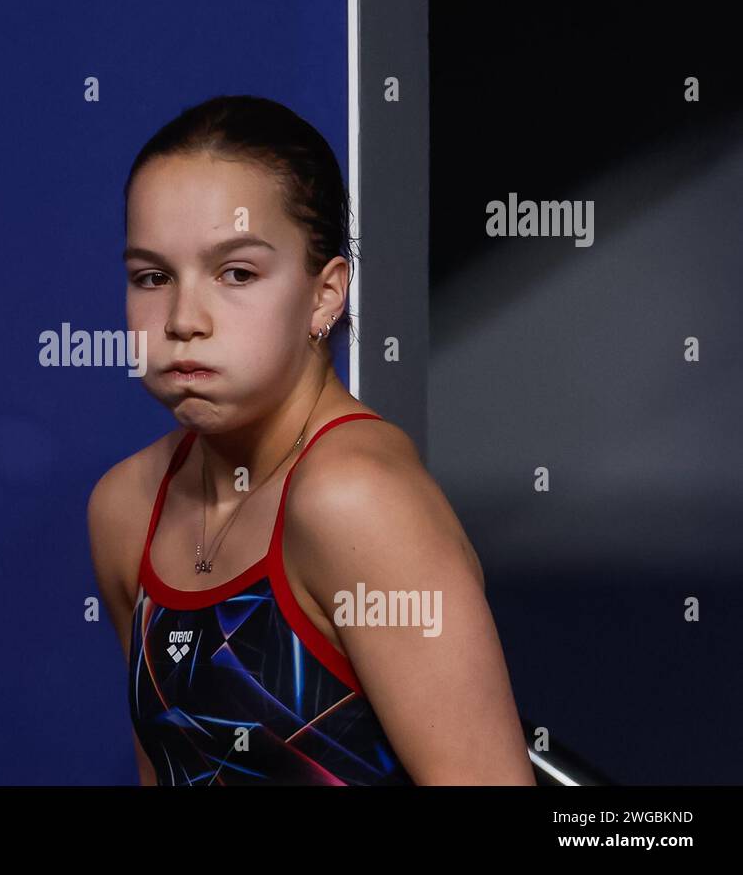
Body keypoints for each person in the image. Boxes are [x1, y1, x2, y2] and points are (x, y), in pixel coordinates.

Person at [87, 94, 535, 785]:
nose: (182, 318)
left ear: (325, 295)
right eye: (152, 277)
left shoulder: (356, 500)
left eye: (236, 272)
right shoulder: (125, 507)